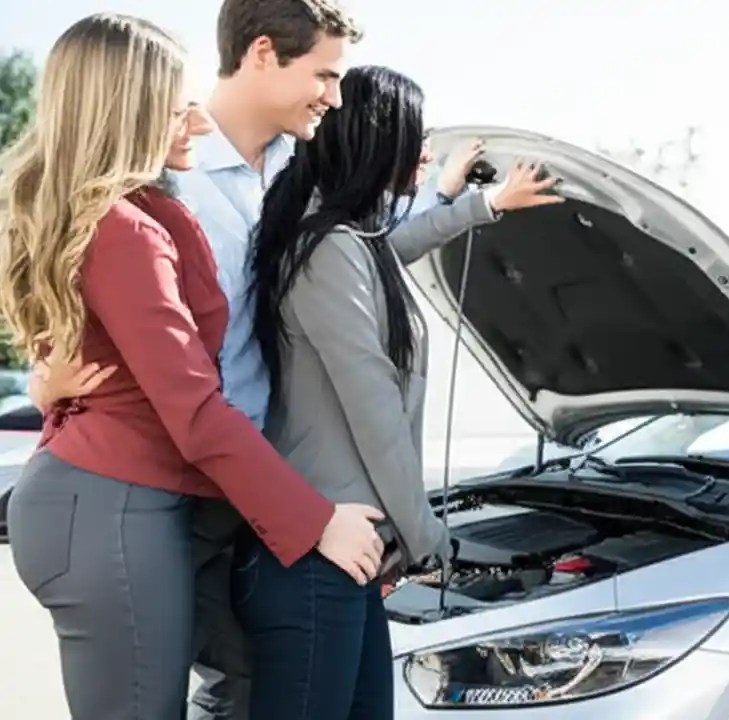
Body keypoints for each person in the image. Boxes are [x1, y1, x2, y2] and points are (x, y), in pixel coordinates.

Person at [0, 13, 386, 719]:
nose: (198, 121)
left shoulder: (142, 214)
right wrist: (317, 519)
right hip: (114, 505)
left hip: (164, 498)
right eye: (180, 107)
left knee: (241, 692)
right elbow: (194, 406)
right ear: (133, 109)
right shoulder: (126, 229)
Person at [239, 63, 560, 718]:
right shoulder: (328, 247)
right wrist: (428, 538)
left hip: (345, 555)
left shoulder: (347, 241)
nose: (427, 149)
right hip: (315, 561)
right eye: (419, 134)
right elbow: (374, 406)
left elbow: (397, 243)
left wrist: (481, 203)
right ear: (378, 142)